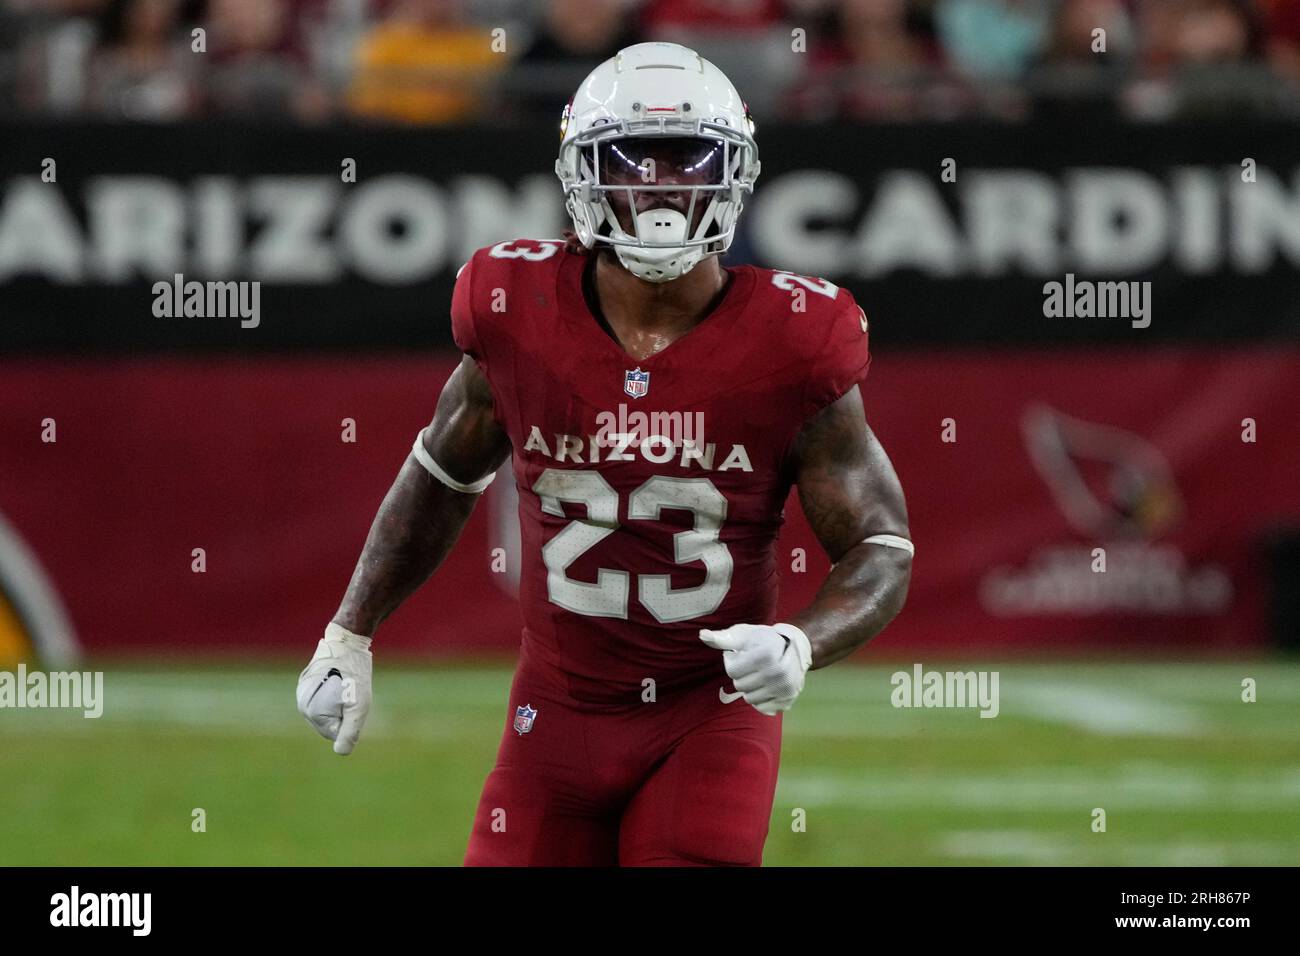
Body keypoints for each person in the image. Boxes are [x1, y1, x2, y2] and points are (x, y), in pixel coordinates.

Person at [297, 41, 912, 866]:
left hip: (708, 716)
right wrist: (350, 631)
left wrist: (801, 641)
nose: (660, 185)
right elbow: (442, 475)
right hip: (553, 717)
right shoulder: (514, 307)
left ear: (734, 171)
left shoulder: (798, 341)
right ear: (581, 172)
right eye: (631, 158)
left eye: (689, 158)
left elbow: (880, 543)